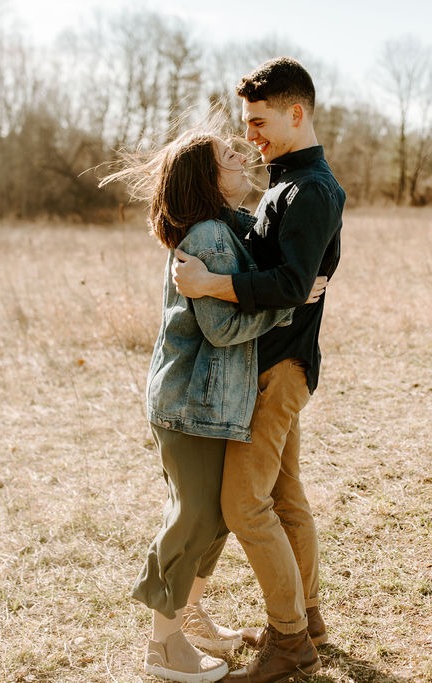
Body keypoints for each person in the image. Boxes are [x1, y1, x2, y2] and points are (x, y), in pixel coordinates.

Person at [98, 127, 325, 683]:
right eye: (228, 155)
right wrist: (290, 303)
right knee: (194, 516)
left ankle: (189, 617)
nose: (242, 156)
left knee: (217, 515)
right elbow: (222, 329)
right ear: (208, 177)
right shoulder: (208, 236)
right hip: (189, 404)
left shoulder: (229, 225)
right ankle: (162, 644)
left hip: (209, 403)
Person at [172, 57, 346, 683]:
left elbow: (292, 283)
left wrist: (210, 284)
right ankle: (308, 619)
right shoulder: (286, 183)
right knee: (284, 496)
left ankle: (290, 641)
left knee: (244, 505)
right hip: (271, 364)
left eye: (260, 122)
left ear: (296, 113)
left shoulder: (311, 190)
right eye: (247, 123)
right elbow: (278, 265)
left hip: (280, 370)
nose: (251, 136)